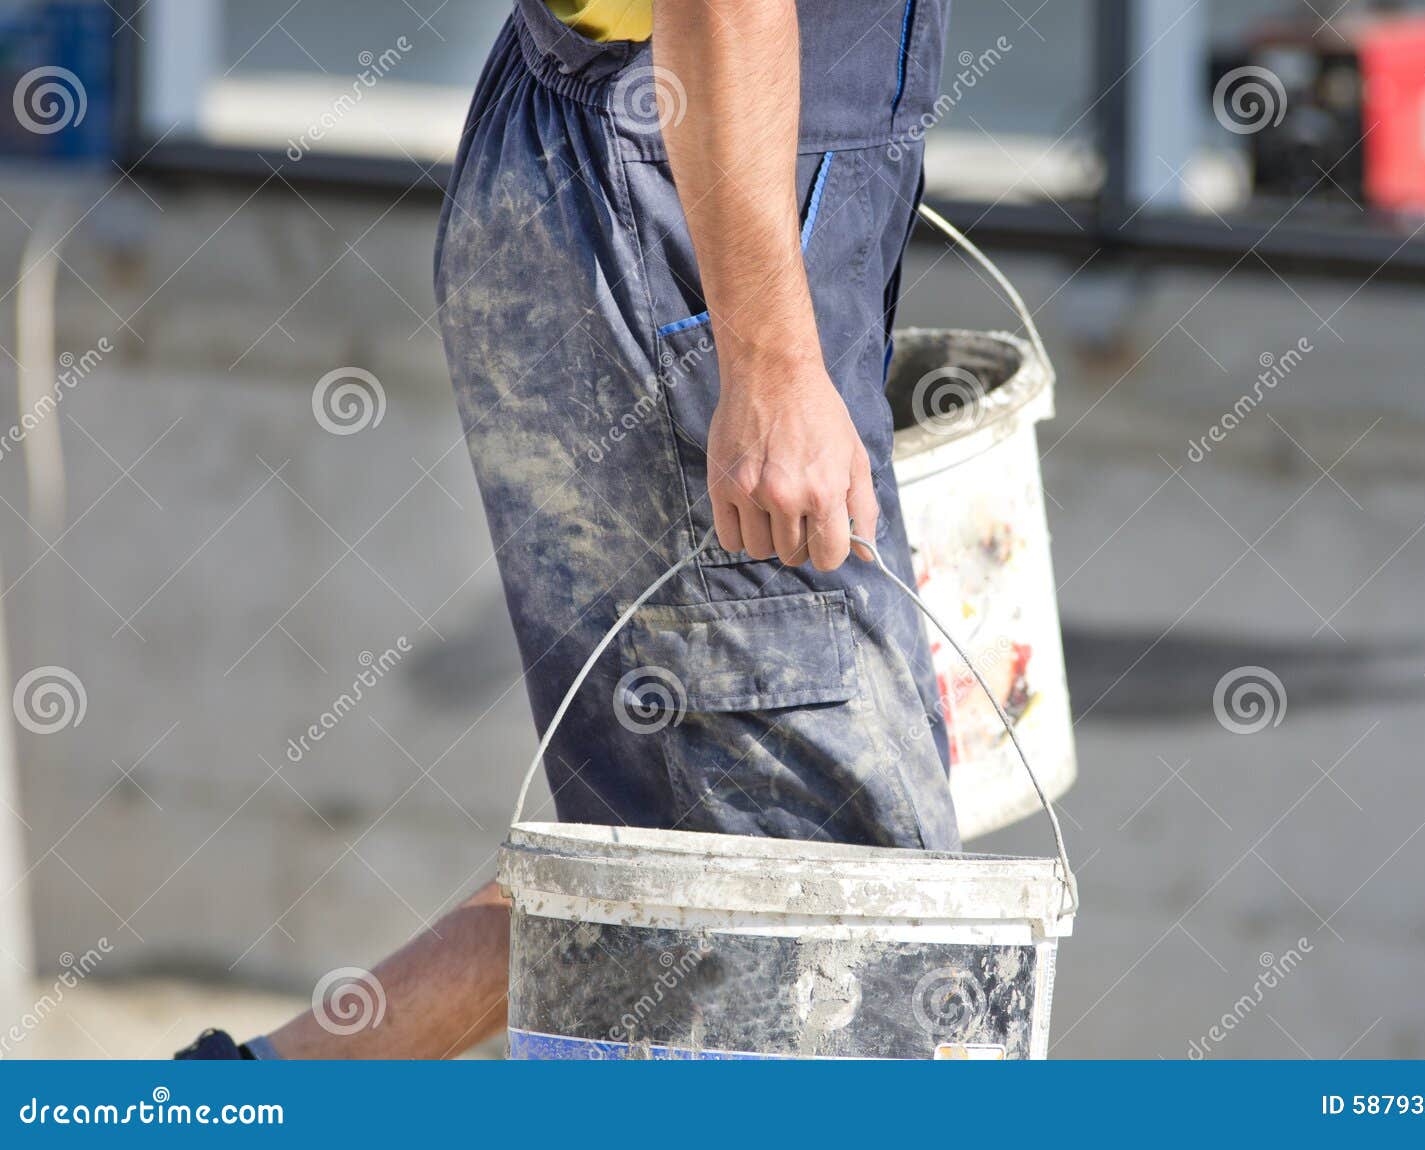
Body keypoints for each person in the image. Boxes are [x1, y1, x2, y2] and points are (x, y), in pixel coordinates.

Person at [178, 0, 957, 1060]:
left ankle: (238, 1103)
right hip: (683, 186)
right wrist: (771, 359)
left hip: (641, 153)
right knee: (832, 918)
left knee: (669, 854)